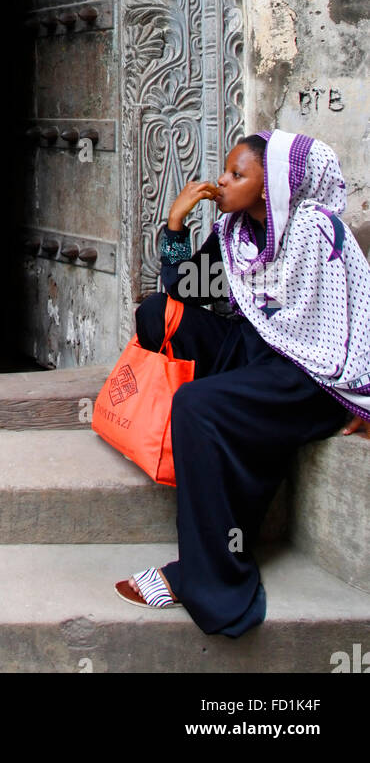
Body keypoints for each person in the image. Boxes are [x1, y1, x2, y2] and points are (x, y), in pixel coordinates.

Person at [114, 129, 370, 636]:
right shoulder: (237, 232)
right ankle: (207, 411)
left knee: (195, 406)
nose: (223, 182)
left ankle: (207, 579)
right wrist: (175, 224)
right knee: (157, 313)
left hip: (307, 377)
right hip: (256, 351)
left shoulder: (317, 231)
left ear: (271, 181)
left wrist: (365, 405)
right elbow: (185, 289)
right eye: (226, 171)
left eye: (238, 174)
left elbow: (357, 318)